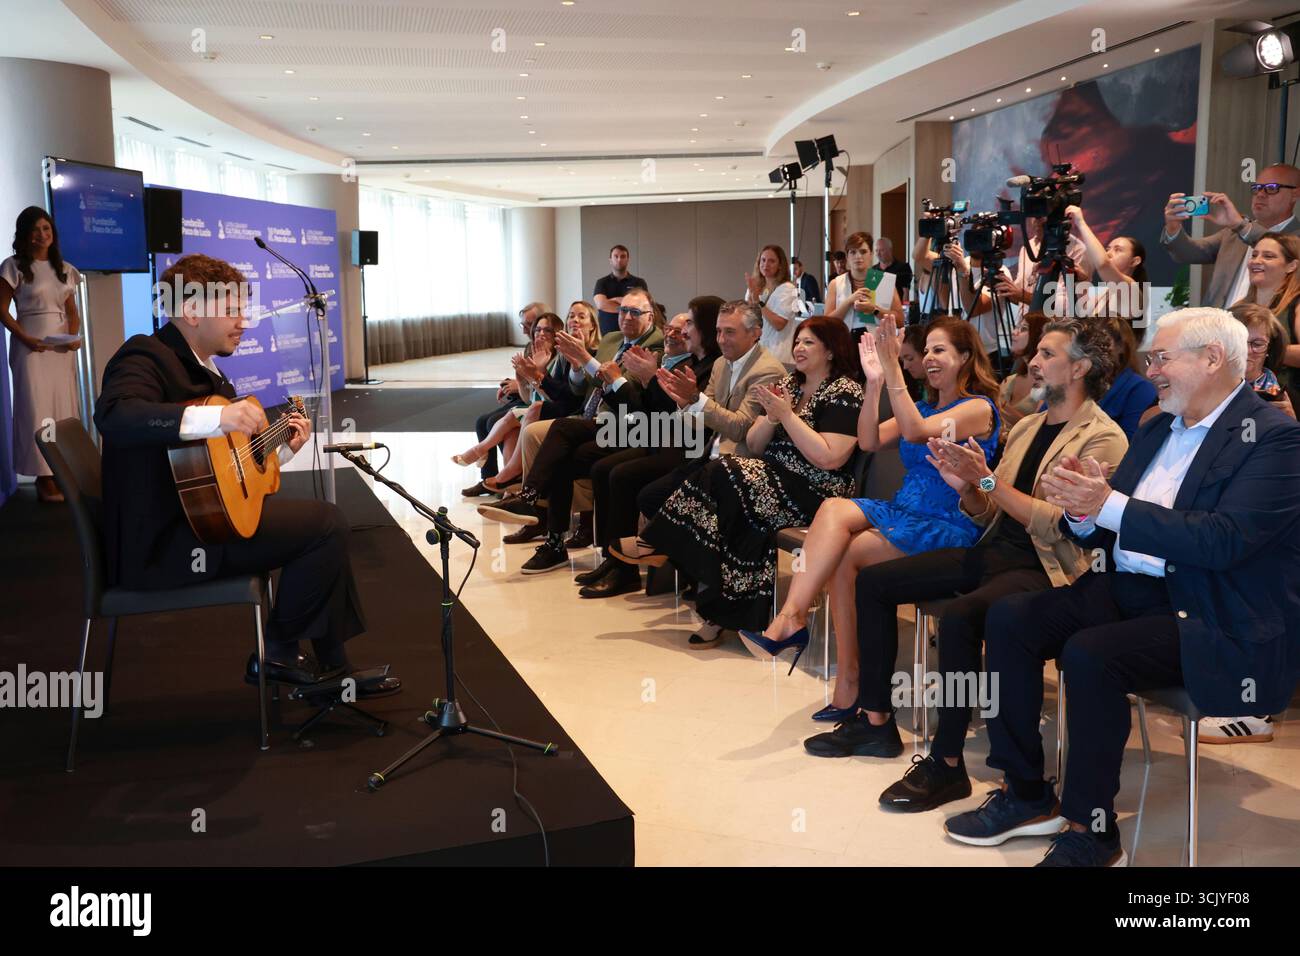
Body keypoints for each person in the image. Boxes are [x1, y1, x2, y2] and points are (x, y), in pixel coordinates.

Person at [945, 307, 1300, 867]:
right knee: (1011, 618)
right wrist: (1085, 510)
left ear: (1212, 359)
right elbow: (1108, 521)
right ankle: (1027, 794)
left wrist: (1107, 504)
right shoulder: (1158, 425)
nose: (1150, 370)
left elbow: (1224, 541)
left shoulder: (1275, 438)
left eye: (1162, 358)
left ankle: (1093, 827)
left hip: (1207, 608)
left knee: (1091, 655)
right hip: (1126, 585)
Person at [805, 321, 1127, 810]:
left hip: (1045, 565)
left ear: (1079, 368)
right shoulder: (1029, 426)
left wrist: (988, 484)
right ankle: (874, 721)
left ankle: (948, 763)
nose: (1032, 362)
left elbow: (1060, 526)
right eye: (1036, 352)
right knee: (872, 582)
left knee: (959, 617)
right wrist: (969, 489)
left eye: (1046, 354)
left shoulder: (1103, 438)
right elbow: (990, 510)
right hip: (995, 548)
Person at [92, 253, 398, 693]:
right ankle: (279, 651)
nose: (244, 322)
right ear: (192, 310)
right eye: (232, 310)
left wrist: (283, 452)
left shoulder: (209, 374)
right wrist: (217, 420)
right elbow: (117, 416)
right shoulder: (146, 354)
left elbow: (226, 472)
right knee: (325, 525)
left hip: (200, 525)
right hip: (162, 546)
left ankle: (332, 668)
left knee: (322, 522)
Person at [749, 316, 1001, 715]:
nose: (931, 359)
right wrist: (875, 383)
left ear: (966, 357)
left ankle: (851, 681)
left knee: (851, 552)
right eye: (928, 350)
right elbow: (867, 440)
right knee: (832, 509)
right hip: (904, 509)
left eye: (941, 351)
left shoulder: (977, 408)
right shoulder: (917, 404)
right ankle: (792, 619)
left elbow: (917, 431)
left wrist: (893, 370)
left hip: (946, 521)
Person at [637, 317, 863, 640]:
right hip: (770, 479)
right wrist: (772, 416)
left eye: (808, 342)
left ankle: (668, 539)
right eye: (797, 341)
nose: (798, 348)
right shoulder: (790, 385)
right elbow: (756, 444)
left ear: (831, 351)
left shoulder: (845, 391)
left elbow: (830, 457)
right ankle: (725, 614)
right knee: (738, 513)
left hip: (817, 492)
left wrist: (786, 415)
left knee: (724, 472)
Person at [611, 300, 788, 647]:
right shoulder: (723, 364)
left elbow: (740, 430)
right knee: (650, 495)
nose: (721, 339)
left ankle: (662, 547)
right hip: (709, 456)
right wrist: (683, 403)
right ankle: (673, 554)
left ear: (755, 333)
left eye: (730, 332)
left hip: (743, 467)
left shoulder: (768, 371)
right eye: (719, 331)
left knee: (700, 512)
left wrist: (697, 401)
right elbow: (700, 415)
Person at [477, 287, 664, 573]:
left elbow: (625, 396)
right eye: (624, 310)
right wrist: (578, 365)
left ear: (650, 317)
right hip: (595, 419)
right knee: (554, 447)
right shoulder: (614, 339)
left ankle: (531, 502)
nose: (626, 316)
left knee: (558, 429)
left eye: (635, 312)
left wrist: (585, 360)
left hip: (627, 426)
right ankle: (553, 541)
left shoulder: (654, 347)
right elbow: (583, 388)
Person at [578, 302, 722, 598]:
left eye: (688, 326)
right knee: (603, 468)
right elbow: (648, 411)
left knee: (622, 474)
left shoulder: (707, 365)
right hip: (660, 435)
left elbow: (680, 417)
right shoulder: (694, 362)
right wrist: (642, 380)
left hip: (684, 445)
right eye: (674, 328)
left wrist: (649, 377)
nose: (681, 332)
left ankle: (625, 568)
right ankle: (613, 558)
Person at [0, 207, 82, 503]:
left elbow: (72, 312)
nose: (42, 235)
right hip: (29, 347)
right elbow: (2, 309)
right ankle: (43, 477)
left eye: (46, 229)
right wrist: (23, 337)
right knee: (36, 408)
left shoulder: (65, 268)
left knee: (62, 408)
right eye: (35, 230)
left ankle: (61, 471)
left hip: (60, 349)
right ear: (24, 234)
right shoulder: (13, 266)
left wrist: (73, 337)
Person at [1161, 164, 1300, 309]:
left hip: (1264, 327)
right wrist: (1173, 227)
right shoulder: (1235, 232)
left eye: (1271, 188)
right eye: (1256, 188)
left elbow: (1277, 244)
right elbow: (1188, 253)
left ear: (1295, 194)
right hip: (1219, 325)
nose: (1260, 194)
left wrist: (1240, 225)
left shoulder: (1292, 236)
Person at [451, 312, 560, 481]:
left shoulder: (559, 358)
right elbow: (529, 397)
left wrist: (538, 373)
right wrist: (520, 377)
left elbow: (552, 397)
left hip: (550, 409)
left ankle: (481, 452)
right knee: (501, 428)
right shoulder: (532, 351)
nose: (541, 334)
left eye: (547, 330)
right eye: (537, 329)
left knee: (502, 418)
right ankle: (507, 486)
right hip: (532, 405)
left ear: (557, 333)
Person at [463, 300, 548, 496]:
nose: (528, 329)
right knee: (481, 421)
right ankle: (488, 479)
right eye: (524, 325)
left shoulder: (548, 350)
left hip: (533, 400)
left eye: (530, 324)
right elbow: (528, 380)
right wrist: (513, 381)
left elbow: (540, 383)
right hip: (527, 396)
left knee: (494, 421)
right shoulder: (530, 346)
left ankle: (506, 478)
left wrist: (518, 384)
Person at [1063, 205, 1148, 324]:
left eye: (1117, 250)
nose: (1108, 253)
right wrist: (1081, 280)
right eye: (1108, 249)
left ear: (1134, 261)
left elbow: (1103, 264)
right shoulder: (1105, 292)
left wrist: (1081, 223)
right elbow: (1084, 310)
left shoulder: (1131, 288)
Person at [1230, 232, 1300, 370]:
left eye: (1268, 256)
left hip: (1284, 389)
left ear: (1291, 266)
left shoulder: (1297, 304)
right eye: (1254, 255)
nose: (1256, 261)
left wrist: (1262, 349)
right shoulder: (1239, 308)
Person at [825, 231, 905, 339]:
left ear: (871, 254)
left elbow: (900, 321)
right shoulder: (836, 283)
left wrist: (874, 310)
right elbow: (826, 323)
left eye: (863, 252)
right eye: (853, 252)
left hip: (878, 341)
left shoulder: (884, 280)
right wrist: (848, 302)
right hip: (844, 342)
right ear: (847, 256)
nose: (858, 256)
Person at [1097, 317, 1158, 439]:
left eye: (1102, 343)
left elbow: (1130, 442)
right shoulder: (1079, 383)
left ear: (1121, 347)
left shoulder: (1139, 389)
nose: (1094, 349)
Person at [1231, 302, 1294, 419]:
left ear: (1269, 349)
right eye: (1238, 340)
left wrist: (1290, 422)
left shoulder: (1276, 395)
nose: (1247, 350)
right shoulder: (1203, 385)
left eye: (1257, 344)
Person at [744, 244, 801, 366]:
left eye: (771, 261)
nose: (766, 264)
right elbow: (749, 319)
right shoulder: (755, 286)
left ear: (780, 265)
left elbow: (779, 324)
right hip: (758, 353)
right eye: (763, 260)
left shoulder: (788, 289)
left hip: (779, 356)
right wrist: (750, 300)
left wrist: (759, 302)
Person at [998, 311, 1049, 432]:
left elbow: (1037, 428)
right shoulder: (1010, 379)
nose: (1014, 333)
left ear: (1039, 337)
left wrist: (1000, 407)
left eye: (1023, 329)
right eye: (1016, 328)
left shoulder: (1049, 384)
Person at [593, 244, 647, 335]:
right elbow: (601, 304)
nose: (619, 259)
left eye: (623, 256)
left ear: (627, 260)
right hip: (607, 334)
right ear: (610, 260)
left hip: (633, 333)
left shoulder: (639, 283)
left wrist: (613, 301)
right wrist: (629, 307)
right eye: (616, 256)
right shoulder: (602, 282)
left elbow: (642, 307)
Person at [874, 237, 913, 306]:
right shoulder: (873, 270)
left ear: (890, 250)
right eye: (876, 251)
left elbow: (906, 293)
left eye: (881, 250)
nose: (878, 254)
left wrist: (905, 311)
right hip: (878, 311)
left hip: (896, 310)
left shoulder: (903, 267)